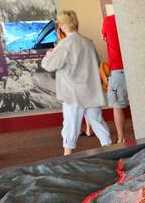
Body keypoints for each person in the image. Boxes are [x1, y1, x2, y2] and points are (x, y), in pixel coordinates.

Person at [40, 10, 110, 155]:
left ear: (61, 26)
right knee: (99, 125)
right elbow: (97, 62)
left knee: (70, 128)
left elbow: (49, 65)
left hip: (73, 94)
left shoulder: (65, 45)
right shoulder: (88, 43)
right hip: (91, 92)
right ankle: (112, 153)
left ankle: (67, 160)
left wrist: (48, 55)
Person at [99, 11, 129, 143]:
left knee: (117, 106)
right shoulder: (132, 18)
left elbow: (103, 36)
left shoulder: (109, 20)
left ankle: (121, 138)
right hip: (137, 68)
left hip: (118, 68)